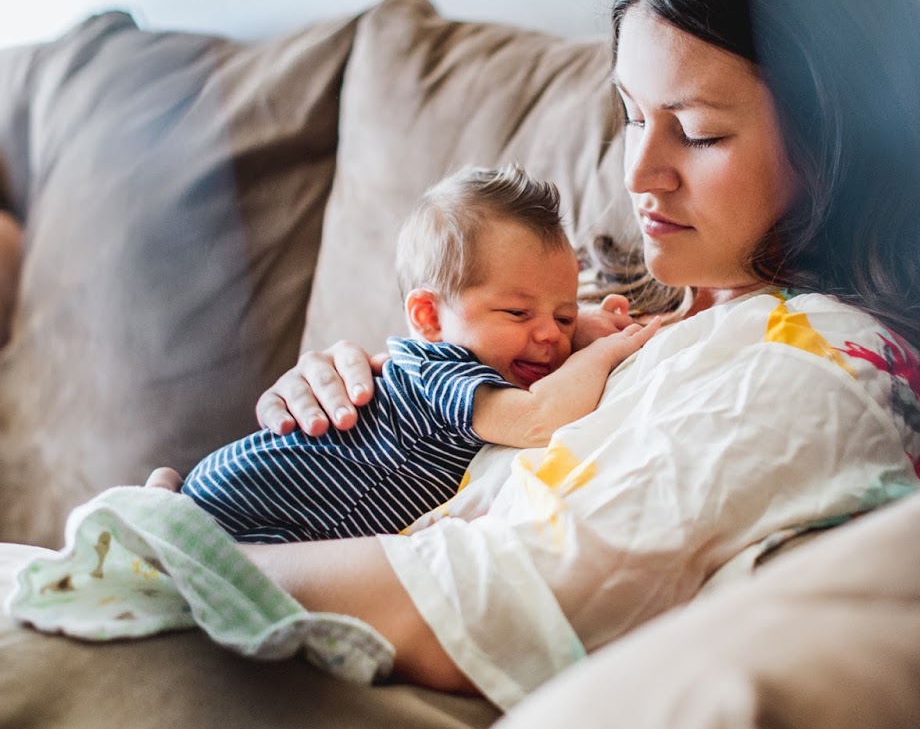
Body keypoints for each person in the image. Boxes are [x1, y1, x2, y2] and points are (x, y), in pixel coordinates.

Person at [204, 0, 920, 711]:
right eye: (632, 116)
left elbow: (489, 604)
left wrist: (181, 552)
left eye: (699, 131)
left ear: (838, 146)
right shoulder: (606, 325)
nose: (638, 173)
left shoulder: (819, 371)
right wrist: (358, 392)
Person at [167, 165, 656, 541]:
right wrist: (611, 349)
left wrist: (583, 326)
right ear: (428, 318)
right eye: (516, 313)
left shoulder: (480, 363)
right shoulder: (438, 371)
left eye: (564, 317)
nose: (552, 337)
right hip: (246, 512)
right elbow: (535, 420)